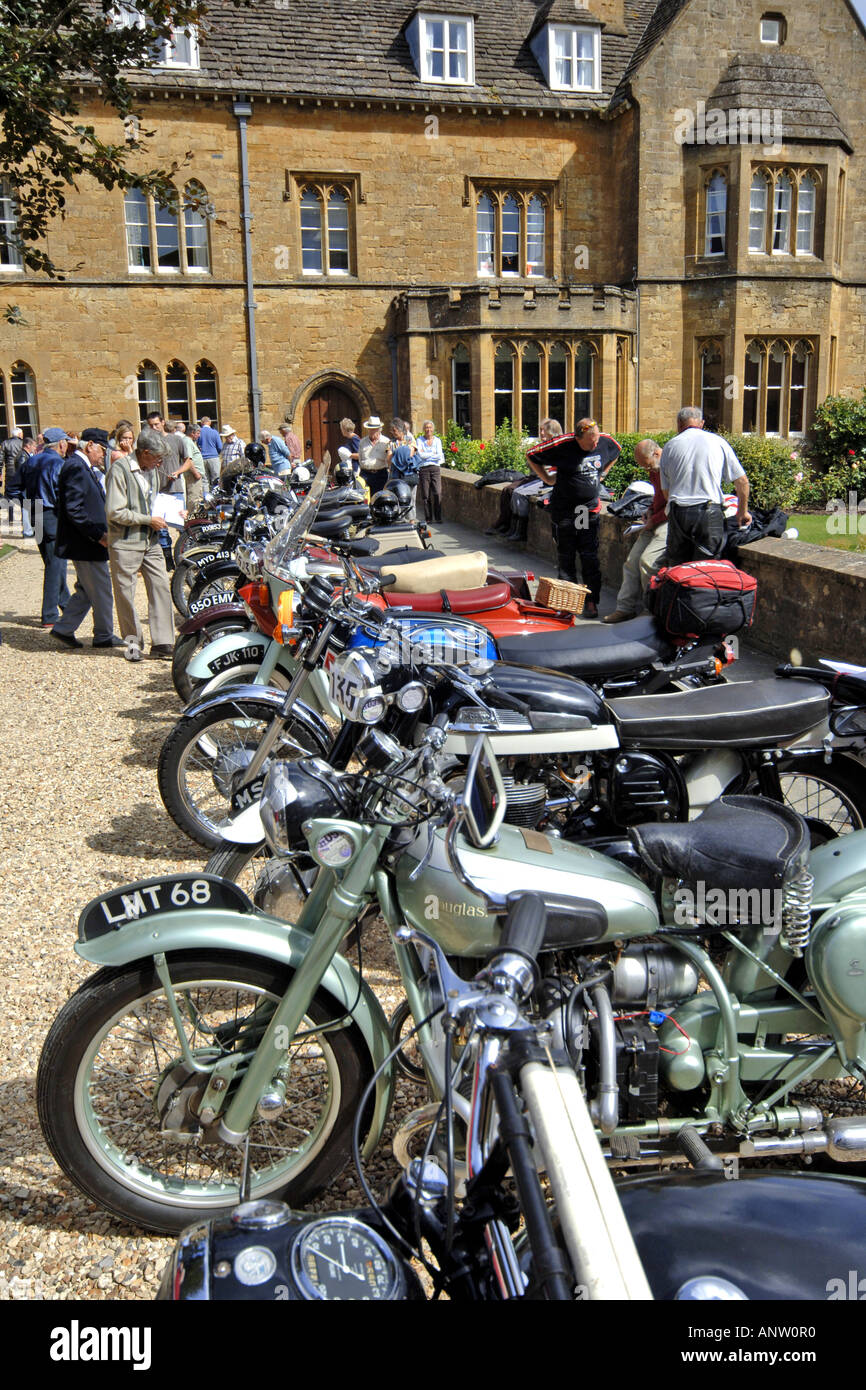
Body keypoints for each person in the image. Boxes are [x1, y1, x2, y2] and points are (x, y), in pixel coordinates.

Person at [526, 418, 622, 620]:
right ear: (578, 438)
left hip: (585, 511)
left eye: (596, 439)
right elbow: (531, 455)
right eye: (590, 441)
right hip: (566, 510)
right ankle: (568, 602)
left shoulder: (603, 441)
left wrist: (603, 472)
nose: (595, 444)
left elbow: (616, 450)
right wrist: (548, 479)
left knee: (588, 555)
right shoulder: (562, 445)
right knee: (566, 555)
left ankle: (590, 601)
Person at [104, 427, 176, 661]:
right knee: (126, 595)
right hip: (124, 542)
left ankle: (164, 642)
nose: (159, 463)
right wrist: (148, 520)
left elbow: (153, 502)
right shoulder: (119, 470)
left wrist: (172, 513)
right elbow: (114, 511)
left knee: (161, 588)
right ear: (144, 452)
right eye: (157, 458)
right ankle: (133, 644)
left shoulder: (153, 471)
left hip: (151, 542)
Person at [50, 426, 120, 649]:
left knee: (86, 590)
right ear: (89, 445)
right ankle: (103, 635)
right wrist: (98, 535)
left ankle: (64, 628)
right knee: (101, 590)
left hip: (86, 542)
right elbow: (74, 509)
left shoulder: (82, 466)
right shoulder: (76, 467)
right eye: (101, 449)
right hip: (86, 543)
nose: (103, 454)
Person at [659, 407, 751, 566]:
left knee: (677, 569)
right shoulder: (718, 442)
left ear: (679, 424)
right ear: (701, 423)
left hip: (679, 512)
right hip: (708, 513)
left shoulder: (669, 446)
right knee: (706, 569)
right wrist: (742, 511)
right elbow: (742, 482)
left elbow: (666, 491)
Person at [603, 439, 669, 623]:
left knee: (648, 561)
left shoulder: (669, 466)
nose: (647, 471)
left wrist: (654, 519)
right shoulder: (654, 468)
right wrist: (649, 511)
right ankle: (625, 608)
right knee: (632, 561)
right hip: (656, 518)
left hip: (670, 520)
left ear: (656, 454)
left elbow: (673, 504)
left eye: (647, 466)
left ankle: (651, 612)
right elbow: (659, 496)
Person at [23, 427, 73, 627]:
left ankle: (66, 603)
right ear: (60, 443)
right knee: (55, 565)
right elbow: (61, 493)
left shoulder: (32, 460)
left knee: (53, 562)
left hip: (35, 513)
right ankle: (50, 614)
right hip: (51, 515)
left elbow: (14, 487)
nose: (67, 445)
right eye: (66, 442)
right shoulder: (58, 463)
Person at [415, 419, 444, 523]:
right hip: (424, 469)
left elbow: (439, 455)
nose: (428, 429)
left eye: (430, 427)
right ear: (423, 429)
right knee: (426, 495)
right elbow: (420, 455)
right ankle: (428, 518)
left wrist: (427, 454)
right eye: (426, 427)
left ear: (433, 429)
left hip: (435, 468)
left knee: (437, 493)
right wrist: (432, 453)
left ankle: (438, 517)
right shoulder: (419, 440)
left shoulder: (437, 440)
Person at [358, 416, 390, 493]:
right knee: (365, 498)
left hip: (381, 475)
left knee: (380, 498)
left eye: (374, 430)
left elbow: (389, 457)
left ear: (379, 430)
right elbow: (360, 458)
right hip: (365, 474)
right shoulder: (362, 442)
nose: (371, 432)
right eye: (370, 429)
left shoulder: (386, 442)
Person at [198, 415, 223, 487]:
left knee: (204, 480)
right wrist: (217, 453)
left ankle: (206, 496)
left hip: (202, 458)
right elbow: (220, 447)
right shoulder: (214, 432)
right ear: (210, 422)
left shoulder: (199, 432)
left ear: (201, 423)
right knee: (216, 479)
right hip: (213, 457)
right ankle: (215, 496)